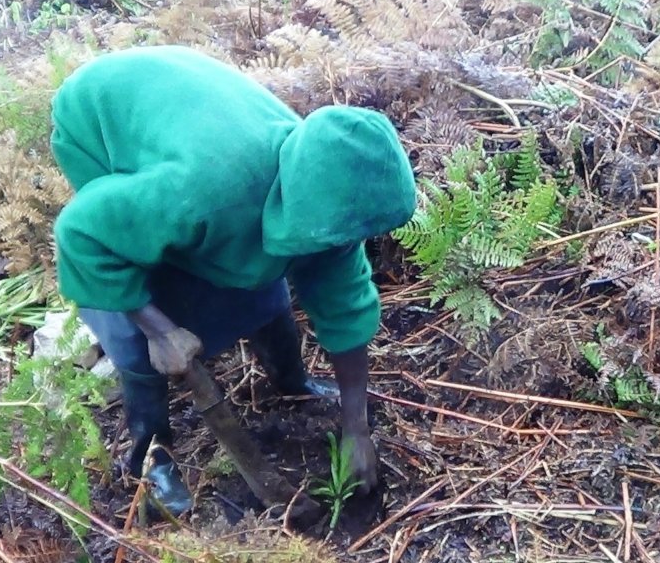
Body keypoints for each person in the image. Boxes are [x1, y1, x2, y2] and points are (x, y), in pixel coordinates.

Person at [49, 45, 417, 516]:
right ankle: (151, 457)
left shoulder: (333, 189)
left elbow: (345, 300)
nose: (345, 244)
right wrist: (161, 332)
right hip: (102, 115)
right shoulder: (198, 192)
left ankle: (290, 380)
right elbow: (82, 234)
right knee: (140, 325)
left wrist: (356, 427)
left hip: (191, 120)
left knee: (264, 284)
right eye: (334, 236)